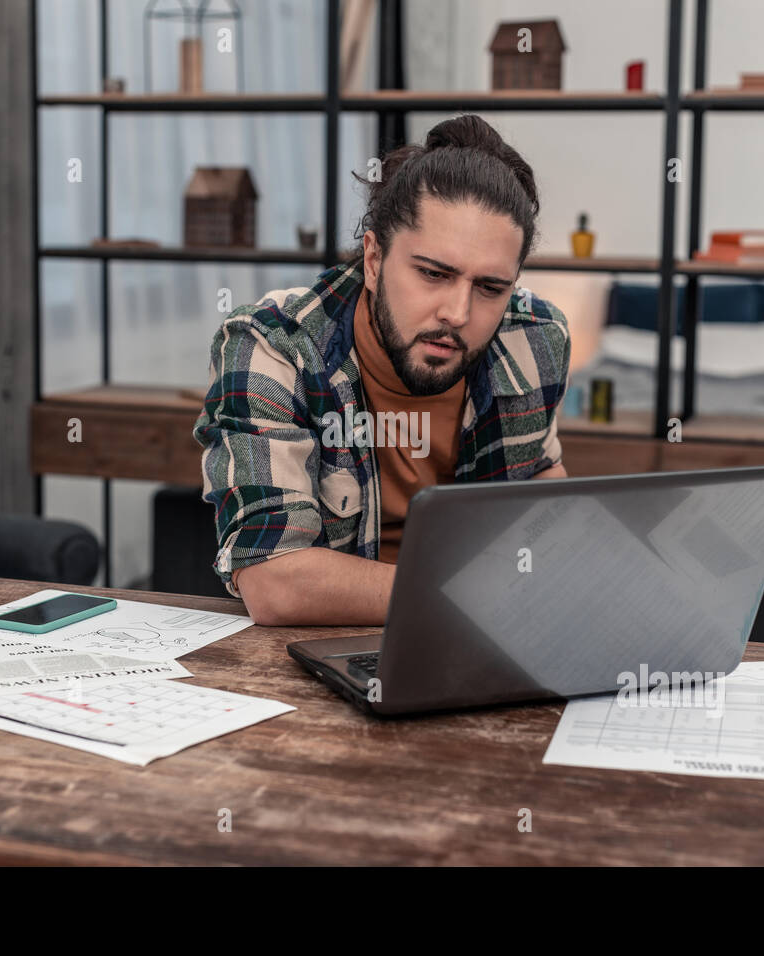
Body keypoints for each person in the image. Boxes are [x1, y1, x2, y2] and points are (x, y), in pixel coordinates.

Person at [193, 114, 570, 626]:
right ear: (373, 258)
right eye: (434, 274)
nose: (457, 314)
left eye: (490, 288)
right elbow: (274, 579)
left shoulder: (537, 338)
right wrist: (475, 595)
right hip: (323, 648)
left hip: (485, 640)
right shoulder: (273, 346)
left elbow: (539, 479)